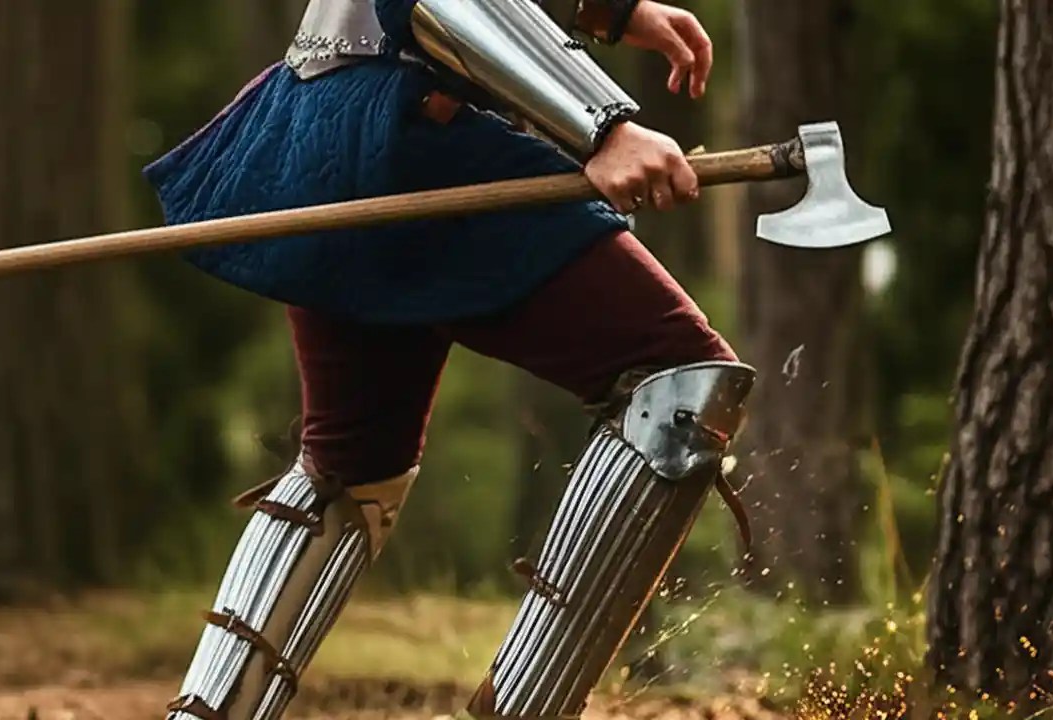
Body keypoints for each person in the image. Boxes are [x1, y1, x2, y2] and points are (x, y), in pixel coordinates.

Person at [143, 1, 756, 719]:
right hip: (415, 134)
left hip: (332, 127)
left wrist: (607, 11)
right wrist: (602, 124)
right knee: (679, 380)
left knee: (355, 463)